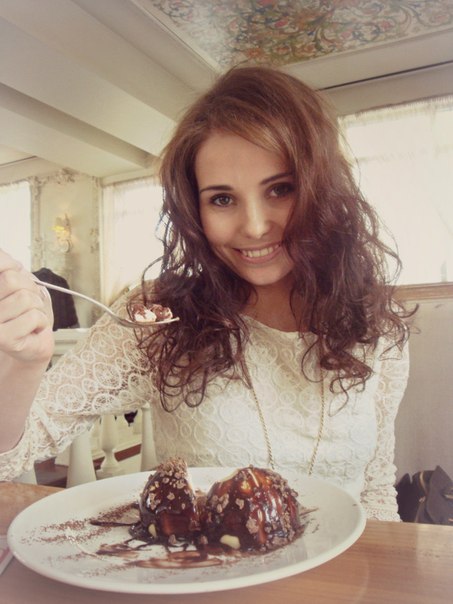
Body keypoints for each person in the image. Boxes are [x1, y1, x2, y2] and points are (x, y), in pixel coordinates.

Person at [0, 65, 413, 521]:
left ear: (324, 189)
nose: (254, 226)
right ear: (193, 211)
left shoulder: (373, 324)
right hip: (199, 563)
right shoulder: (159, 316)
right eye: (222, 199)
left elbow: (376, 489)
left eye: (280, 189)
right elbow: (11, 454)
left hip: (344, 565)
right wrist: (25, 364)